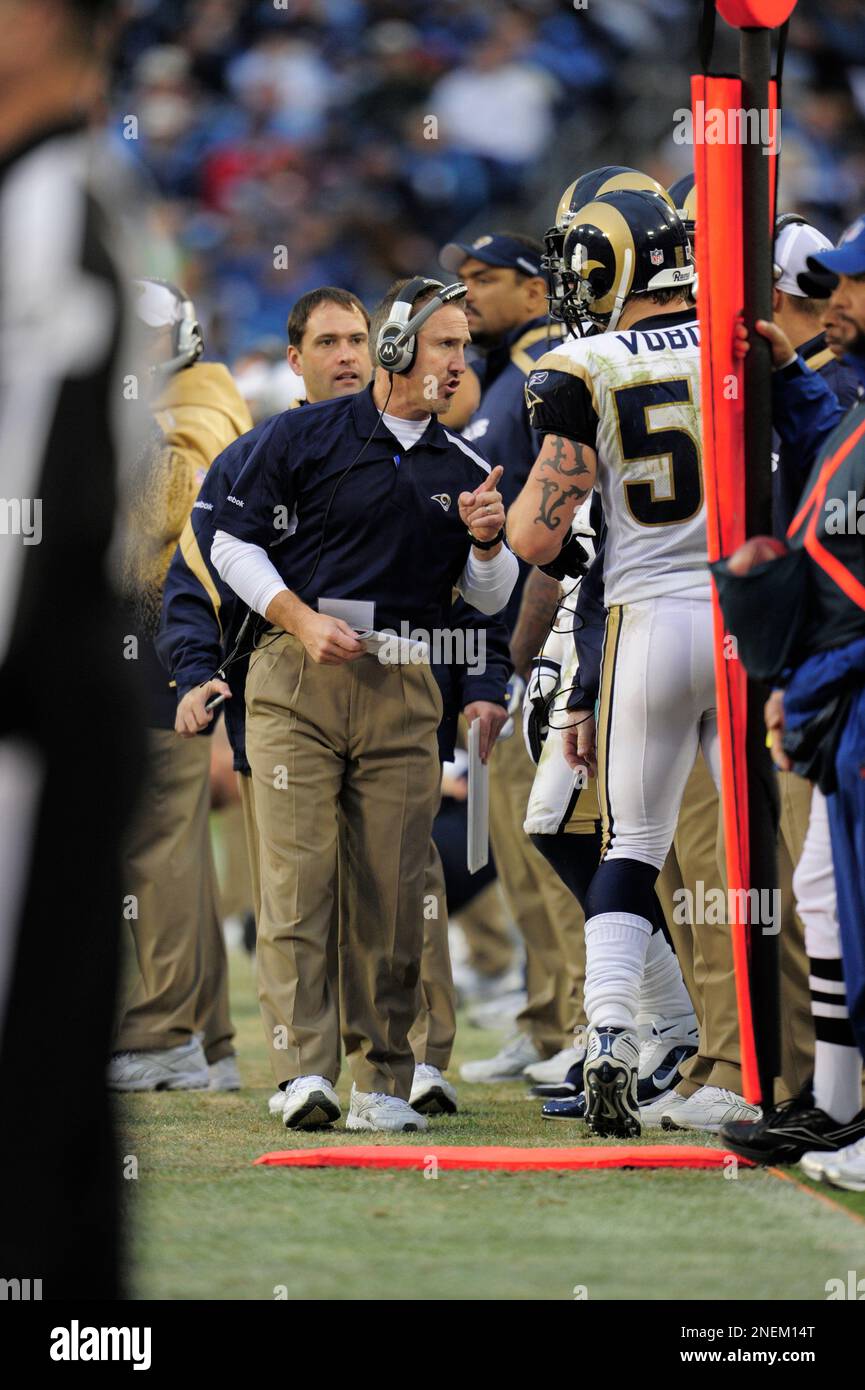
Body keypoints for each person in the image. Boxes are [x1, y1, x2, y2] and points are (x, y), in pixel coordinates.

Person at [159, 285, 512, 1121]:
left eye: (465, 346)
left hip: (402, 677)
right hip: (292, 677)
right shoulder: (292, 436)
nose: (459, 362)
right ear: (401, 352)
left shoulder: (461, 466)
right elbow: (225, 544)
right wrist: (294, 619)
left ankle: (388, 1074)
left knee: (394, 889)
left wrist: (490, 542)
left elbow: (487, 600)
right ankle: (301, 1073)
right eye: (444, 345)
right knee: (296, 878)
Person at [508, 187, 759, 1138]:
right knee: (745, 856)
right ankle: (741, 1067)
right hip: (744, 617)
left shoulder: (579, 366)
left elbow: (538, 537)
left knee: (631, 844)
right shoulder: (740, 341)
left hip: (646, 622)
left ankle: (612, 1033)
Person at [0, 0, 143, 1298]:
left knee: (32, 1076)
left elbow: (35, 491)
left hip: (32, 698)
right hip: (54, 683)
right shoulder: (61, 191)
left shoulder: (51, 200)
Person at [715, 221, 865, 1180]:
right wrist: (792, 379)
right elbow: (830, 463)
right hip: (837, 696)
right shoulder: (852, 402)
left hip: (846, 684)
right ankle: (839, 1108)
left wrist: (805, 681)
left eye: (853, 284)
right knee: (825, 889)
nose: (835, 298)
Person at [437, 230, 589, 1087]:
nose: (469, 298)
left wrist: (532, 645)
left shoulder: (546, 366)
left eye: (484, 281)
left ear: (538, 290)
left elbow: (552, 521)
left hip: (548, 630)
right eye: (460, 284)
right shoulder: (497, 375)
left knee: (550, 837)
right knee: (513, 842)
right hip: (498, 643)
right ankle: (543, 1016)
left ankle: (577, 1017)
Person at [109, 278, 253, 1093]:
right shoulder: (189, 392)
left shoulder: (195, 402)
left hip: (162, 632)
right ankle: (207, 1038)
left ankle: (166, 1029)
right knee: (172, 849)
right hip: (158, 634)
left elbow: (171, 501)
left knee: (156, 839)